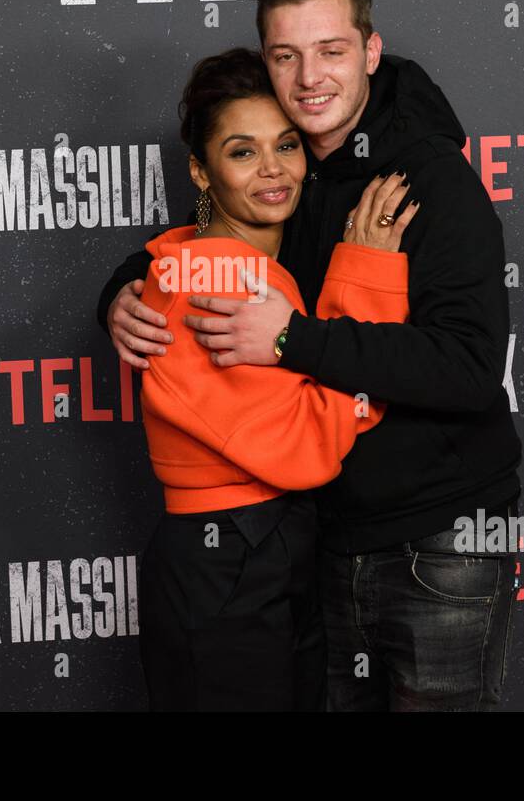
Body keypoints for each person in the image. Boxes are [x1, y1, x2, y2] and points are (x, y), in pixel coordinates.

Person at [99, 0, 524, 711]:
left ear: (369, 52)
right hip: (318, 543)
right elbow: (214, 239)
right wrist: (123, 287)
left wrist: (294, 340)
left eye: (330, 51)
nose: (308, 78)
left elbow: (465, 369)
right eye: (285, 55)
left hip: (437, 543)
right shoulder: (293, 172)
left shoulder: (430, 183)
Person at [136, 46, 417, 711]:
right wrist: (367, 275)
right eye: (241, 151)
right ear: (202, 172)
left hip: (267, 548)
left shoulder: (241, 268)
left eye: (286, 145)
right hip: (228, 559)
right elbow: (309, 442)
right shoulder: (213, 278)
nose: (273, 170)